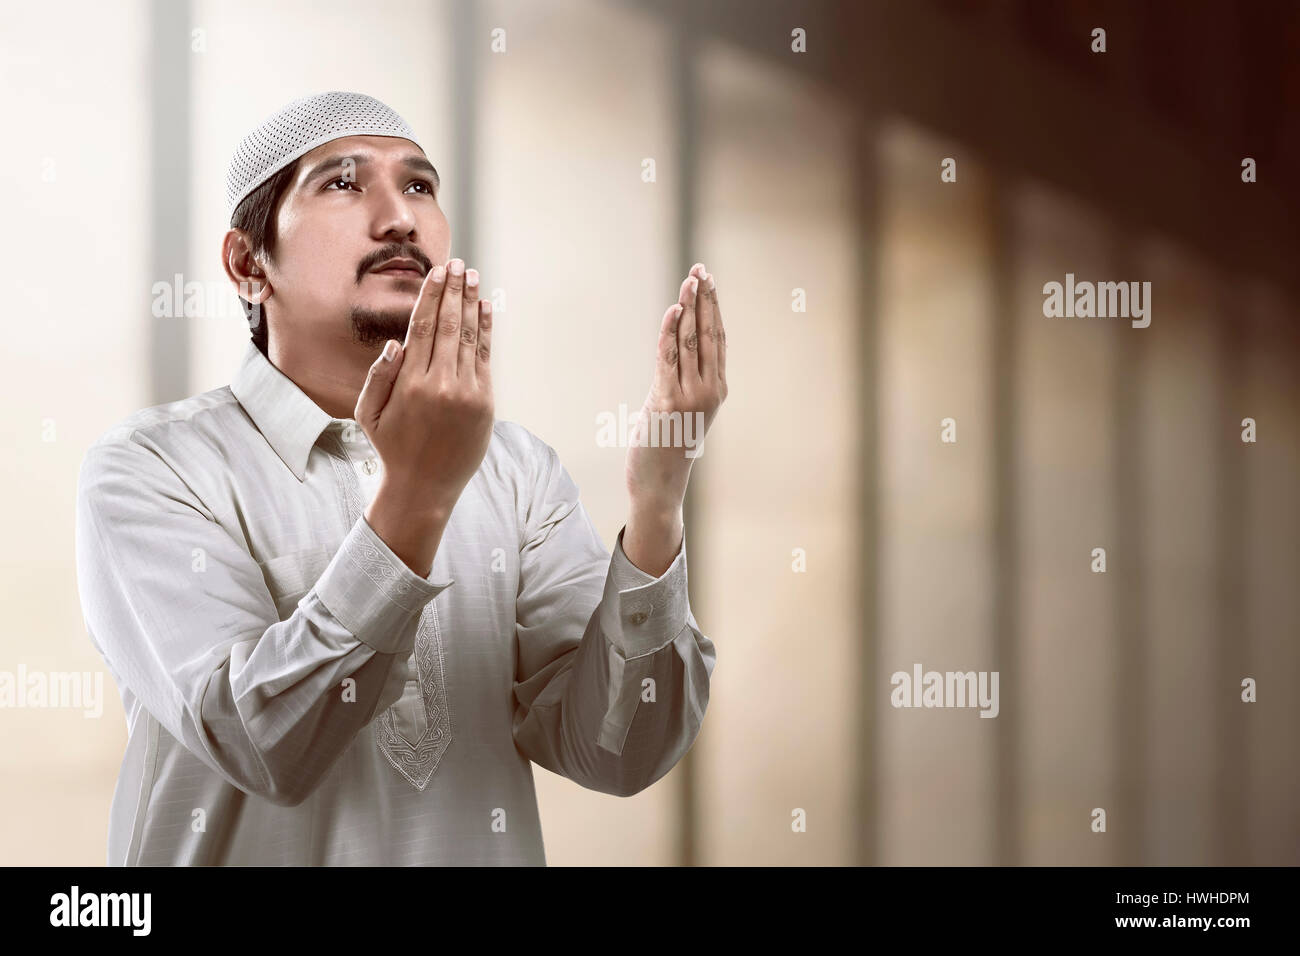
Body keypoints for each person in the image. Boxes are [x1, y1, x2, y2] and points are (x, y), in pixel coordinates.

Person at [74, 91, 725, 865]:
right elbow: (264, 744)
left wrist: (657, 503)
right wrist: (418, 495)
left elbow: (618, 753)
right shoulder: (152, 468)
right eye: (343, 184)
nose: (400, 219)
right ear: (249, 265)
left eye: (419, 186)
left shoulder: (515, 471)